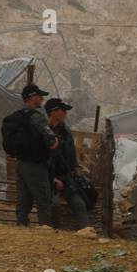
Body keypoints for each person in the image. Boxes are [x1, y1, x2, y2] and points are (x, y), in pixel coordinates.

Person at [10, 84, 58, 227]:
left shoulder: (17, 116)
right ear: (32, 97)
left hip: (20, 164)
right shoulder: (37, 117)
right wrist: (55, 142)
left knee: (23, 198)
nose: (42, 99)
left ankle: (21, 225)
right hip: (36, 165)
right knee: (43, 199)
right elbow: (51, 141)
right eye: (39, 96)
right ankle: (45, 229)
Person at [45, 98, 90, 230]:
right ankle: (53, 234)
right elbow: (40, 159)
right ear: (53, 112)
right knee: (54, 205)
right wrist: (52, 179)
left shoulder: (65, 130)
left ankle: (86, 232)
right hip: (48, 177)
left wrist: (76, 168)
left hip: (66, 176)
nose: (65, 113)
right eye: (63, 110)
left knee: (79, 204)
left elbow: (70, 153)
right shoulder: (43, 131)